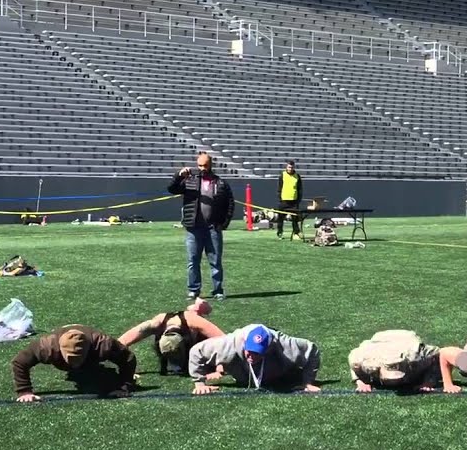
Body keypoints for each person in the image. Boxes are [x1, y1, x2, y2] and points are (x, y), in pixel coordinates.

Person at [168, 152, 235, 300]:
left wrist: (224, 223)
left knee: (215, 261)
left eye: (205, 165)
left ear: (211, 165)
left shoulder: (220, 183)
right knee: (193, 261)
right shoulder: (189, 180)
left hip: (213, 228)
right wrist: (178, 176)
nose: (202, 168)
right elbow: (172, 189)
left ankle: (218, 290)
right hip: (194, 228)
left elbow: (230, 204)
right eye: (200, 165)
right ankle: (193, 290)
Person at [12, 325, 138, 402]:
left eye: (78, 359)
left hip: (91, 356)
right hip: (64, 342)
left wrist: (124, 385)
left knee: (97, 377)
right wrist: (25, 391)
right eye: (71, 359)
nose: (75, 364)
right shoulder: (46, 347)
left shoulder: (103, 344)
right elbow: (19, 362)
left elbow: (128, 358)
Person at [188, 324, 321, 395]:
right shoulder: (228, 344)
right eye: (249, 351)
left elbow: (312, 350)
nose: (251, 356)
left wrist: (308, 382)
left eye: (257, 353)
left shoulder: (284, 343)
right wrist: (199, 384)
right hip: (242, 372)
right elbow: (196, 352)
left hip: (278, 373)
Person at [117, 298, 224, 376]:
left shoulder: (195, 321)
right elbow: (118, 343)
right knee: (179, 367)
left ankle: (199, 308)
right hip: (181, 332)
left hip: (195, 335)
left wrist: (220, 367)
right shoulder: (155, 324)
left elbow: (225, 341)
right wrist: (127, 372)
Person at [349, 329, 441, 393]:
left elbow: (438, 354)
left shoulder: (416, 357)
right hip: (380, 339)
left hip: (406, 338)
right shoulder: (368, 362)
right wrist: (361, 381)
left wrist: (429, 381)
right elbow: (353, 360)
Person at [276, 159, 304, 240]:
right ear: (286, 167)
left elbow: (300, 189)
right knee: (280, 218)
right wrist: (280, 199)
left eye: (292, 167)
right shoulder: (282, 175)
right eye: (289, 167)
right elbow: (279, 188)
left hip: (294, 202)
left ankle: (296, 233)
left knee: (295, 219)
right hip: (284, 201)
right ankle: (280, 232)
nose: (290, 169)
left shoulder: (297, 176)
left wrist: (298, 200)